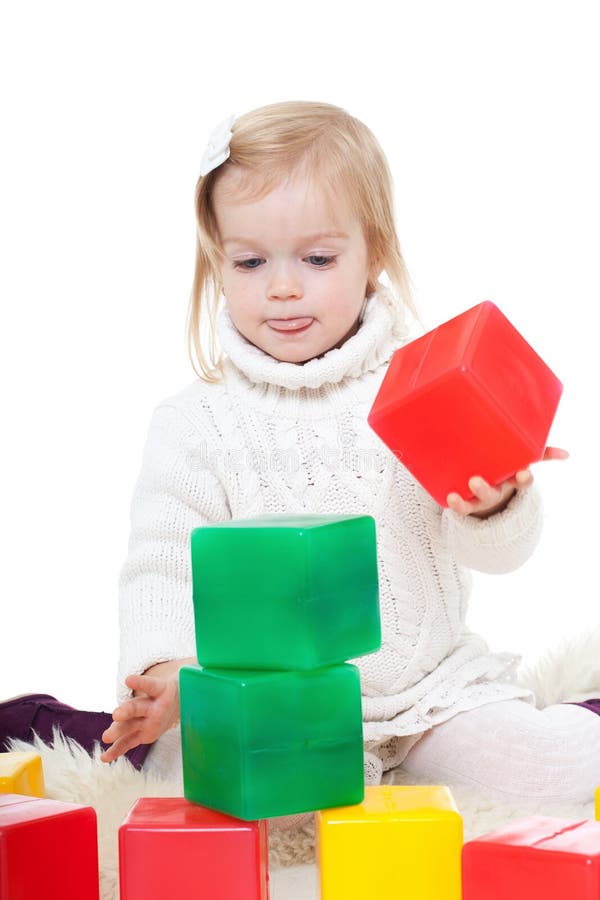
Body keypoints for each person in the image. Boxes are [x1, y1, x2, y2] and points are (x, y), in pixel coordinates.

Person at [2, 101, 596, 808]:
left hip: (429, 700)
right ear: (218, 262)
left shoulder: (417, 386)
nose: (283, 286)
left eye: (317, 258)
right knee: (195, 797)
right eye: (250, 261)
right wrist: (168, 675)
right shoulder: (196, 425)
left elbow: (501, 555)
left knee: (569, 772)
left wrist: (496, 503)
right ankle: (57, 724)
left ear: (374, 251)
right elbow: (158, 572)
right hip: (268, 708)